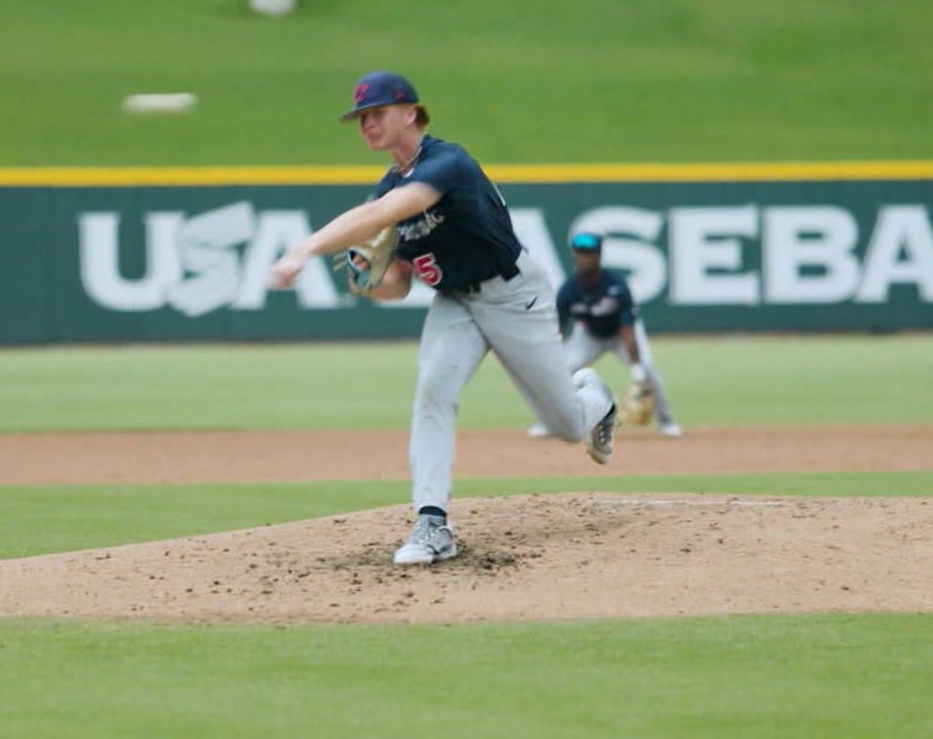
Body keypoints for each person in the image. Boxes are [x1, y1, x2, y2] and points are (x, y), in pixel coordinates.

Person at [266, 70, 619, 566]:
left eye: (377, 112)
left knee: (564, 425)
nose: (367, 124)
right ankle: (432, 524)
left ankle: (594, 400)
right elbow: (399, 284)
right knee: (433, 390)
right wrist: (368, 282)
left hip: (514, 295)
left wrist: (305, 247)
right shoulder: (388, 188)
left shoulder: (446, 162)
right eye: (361, 118)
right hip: (455, 301)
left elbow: (385, 212)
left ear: (410, 113)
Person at [527, 232, 682, 438]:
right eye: (579, 253)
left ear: (598, 256)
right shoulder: (569, 289)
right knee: (563, 372)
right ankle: (548, 422)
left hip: (620, 335)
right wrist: (552, 358)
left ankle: (666, 420)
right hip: (589, 335)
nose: (583, 258)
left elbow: (628, 329)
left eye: (588, 253)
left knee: (647, 370)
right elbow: (558, 329)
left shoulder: (616, 285)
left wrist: (636, 367)